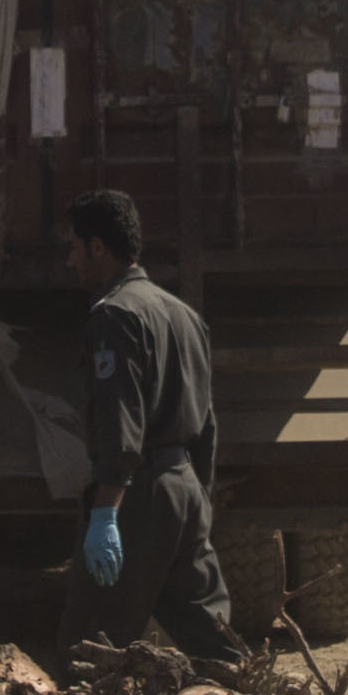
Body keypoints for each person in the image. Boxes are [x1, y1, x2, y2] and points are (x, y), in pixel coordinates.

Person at [58, 189, 235, 665]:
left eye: (75, 246)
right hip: (186, 489)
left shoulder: (114, 315)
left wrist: (105, 514)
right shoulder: (185, 315)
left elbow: (121, 421)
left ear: (99, 247)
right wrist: (200, 501)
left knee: (91, 649)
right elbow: (208, 421)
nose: (70, 260)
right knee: (215, 645)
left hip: (139, 496)